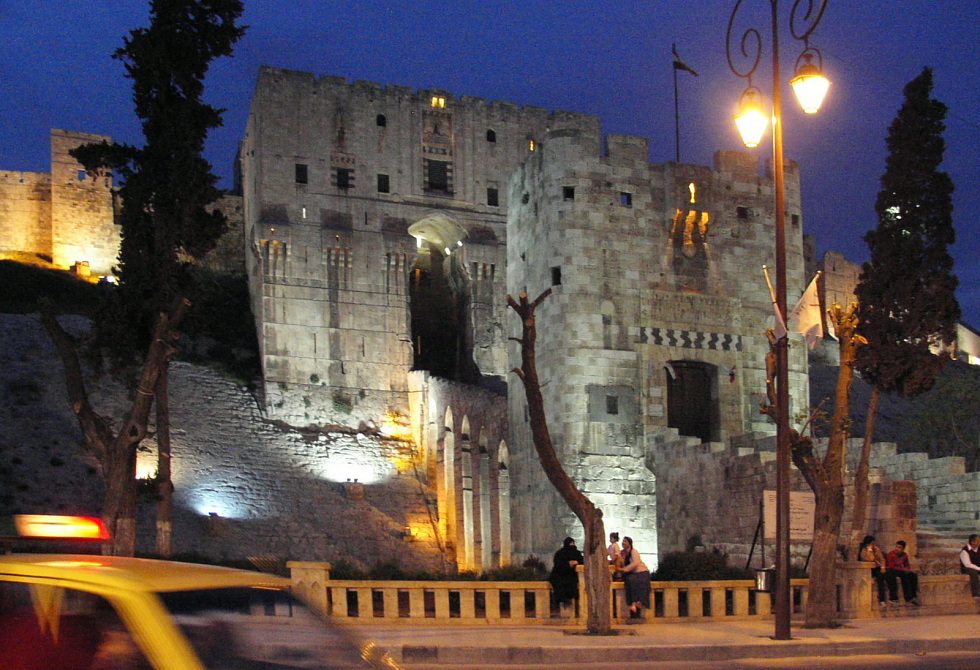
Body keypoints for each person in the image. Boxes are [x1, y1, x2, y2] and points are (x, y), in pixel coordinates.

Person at [620, 536, 651, 619]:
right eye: (623, 541)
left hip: (641, 572)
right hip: (633, 573)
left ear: (629, 543)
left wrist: (624, 569)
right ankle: (633, 603)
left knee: (641, 584)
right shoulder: (623, 553)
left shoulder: (634, 551)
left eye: (625, 541)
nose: (623, 543)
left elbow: (636, 563)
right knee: (630, 582)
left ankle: (639, 602)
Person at [549, 537, 584, 609]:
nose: (572, 545)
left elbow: (582, 561)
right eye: (570, 543)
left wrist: (576, 562)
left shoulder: (575, 553)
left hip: (571, 575)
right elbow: (558, 564)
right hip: (561, 574)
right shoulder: (560, 553)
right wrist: (568, 564)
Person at [884, 540, 919, 606]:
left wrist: (907, 569)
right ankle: (900, 598)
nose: (897, 549)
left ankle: (913, 596)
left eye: (899, 547)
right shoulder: (891, 554)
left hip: (899, 570)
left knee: (913, 576)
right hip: (891, 570)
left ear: (903, 549)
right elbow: (891, 566)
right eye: (896, 547)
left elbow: (907, 564)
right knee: (903, 576)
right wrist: (903, 569)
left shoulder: (904, 555)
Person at [859, 535, 888, 606]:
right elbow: (869, 559)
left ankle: (882, 600)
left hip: (877, 567)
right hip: (868, 569)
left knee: (881, 578)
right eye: (872, 543)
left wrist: (883, 567)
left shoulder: (876, 549)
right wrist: (869, 551)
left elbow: (882, 559)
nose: (874, 545)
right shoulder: (864, 550)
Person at [959, 534, 980, 599]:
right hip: (968, 569)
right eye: (977, 541)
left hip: (978, 568)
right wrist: (979, 568)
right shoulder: (965, 551)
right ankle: (976, 594)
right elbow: (967, 564)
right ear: (972, 542)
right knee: (973, 573)